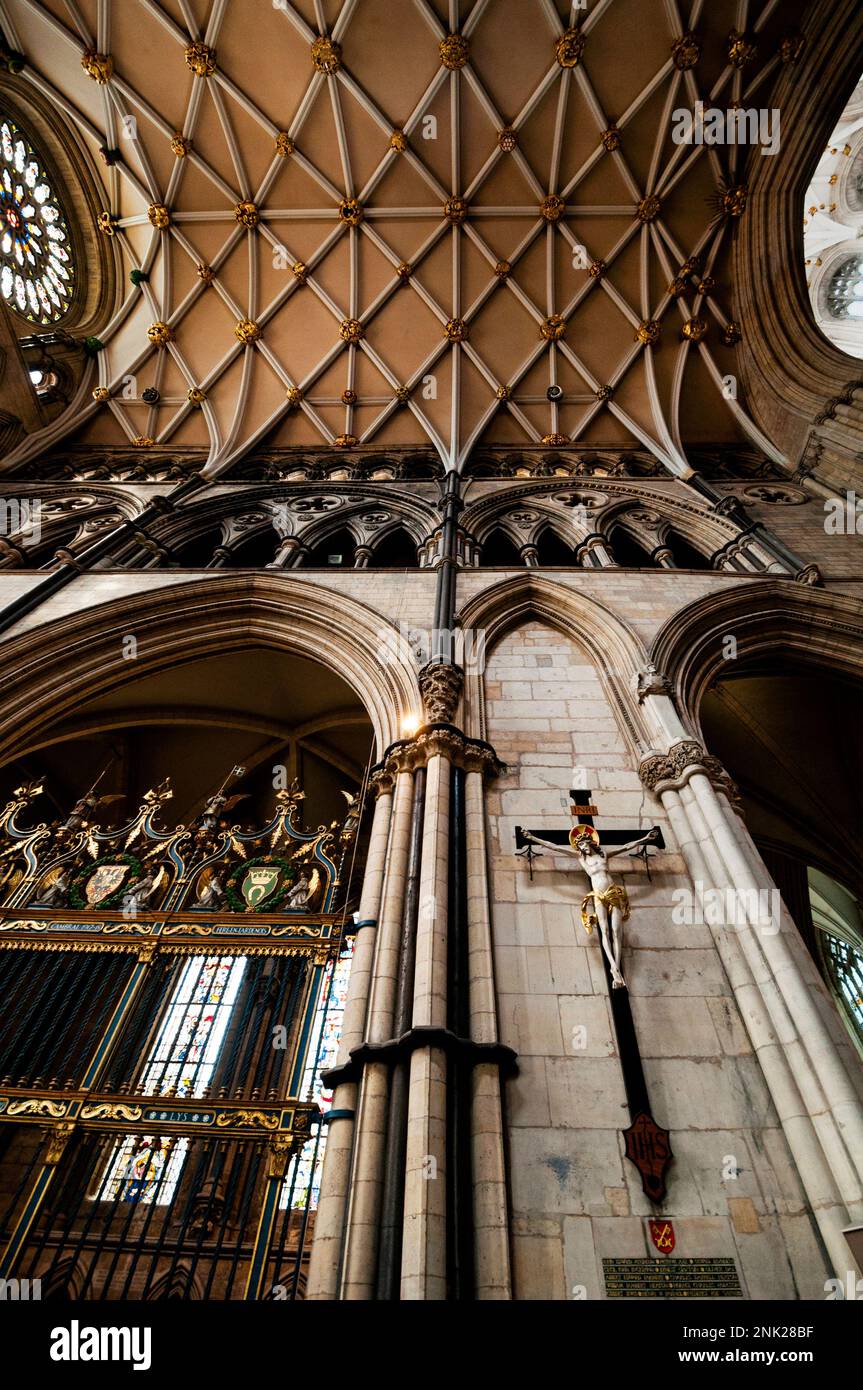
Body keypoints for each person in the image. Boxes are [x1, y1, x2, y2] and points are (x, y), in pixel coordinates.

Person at [521, 824, 659, 989]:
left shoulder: (604, 856)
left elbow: (625, 847)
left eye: (584, 844)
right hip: (599, 896)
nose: (583, 848)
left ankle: (616, 965)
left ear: (590, 843)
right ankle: (613, 969)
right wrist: (532, 838)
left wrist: (645, 839)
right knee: (605, 930)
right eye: (580, 846)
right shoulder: (581, 858)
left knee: (617, 931)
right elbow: (555, 847)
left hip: (612, 892)